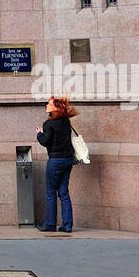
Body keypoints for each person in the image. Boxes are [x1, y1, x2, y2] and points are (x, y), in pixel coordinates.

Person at [36, 96, 79, 233]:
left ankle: (50, 224)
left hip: (55, 161)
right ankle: (67, 225)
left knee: (51, 192)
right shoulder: (66, 122)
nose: (47, 106)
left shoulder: (49, 124)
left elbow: (45, 142)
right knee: (64, 193)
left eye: (49, 104)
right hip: (67, 160)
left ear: (54, 108)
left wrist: (39, 134)